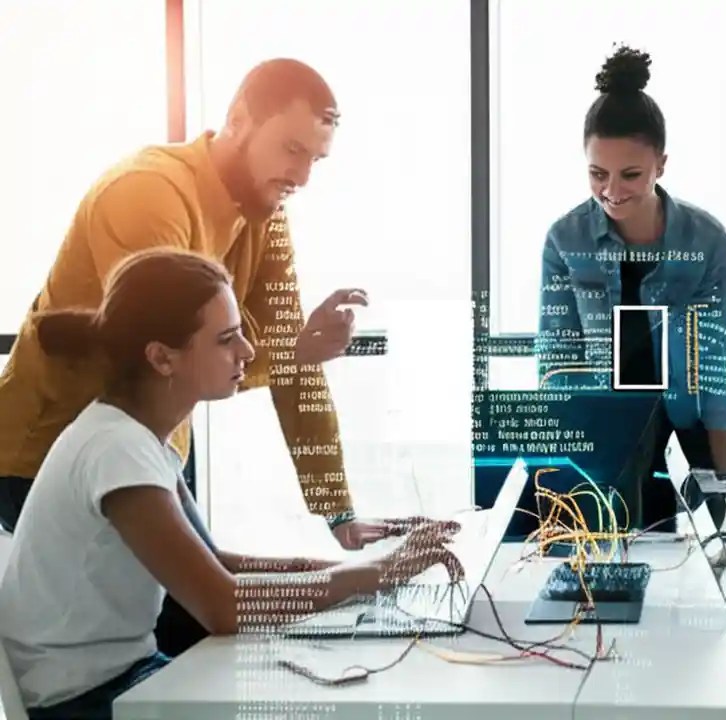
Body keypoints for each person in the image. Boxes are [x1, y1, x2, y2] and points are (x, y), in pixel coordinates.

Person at [0, 248, 463, 720]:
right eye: (227, 339)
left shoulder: (141, 440)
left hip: (125, 679)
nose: (247, 351)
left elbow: (216, 562)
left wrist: (356, 572)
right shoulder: (116, 450)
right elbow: (222, 607)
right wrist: (372, 576)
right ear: (162, 358)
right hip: (85, 701)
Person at [0, 58, 417, 549]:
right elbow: (163, 359)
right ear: (239, 120)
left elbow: (289, 355)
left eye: (315, 160)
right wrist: (290, 353)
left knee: (202, 606)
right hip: (50, 454)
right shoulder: (146, 194)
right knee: (192, 609)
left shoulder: (266, 216)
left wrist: (339, 511)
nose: (302, 177)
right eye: (291, 149)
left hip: (151, 447)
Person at [535, 45, 726, 531]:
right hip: (597, 431)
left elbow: (710, 368)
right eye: (597, 174)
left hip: (685, 433)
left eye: (631, 175)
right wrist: (552, 472)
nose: (612, 191)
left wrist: (724, 477)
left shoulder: (706, 243)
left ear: (661, 165)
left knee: (685, 572)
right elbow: (556, 367)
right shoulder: (565, 241)